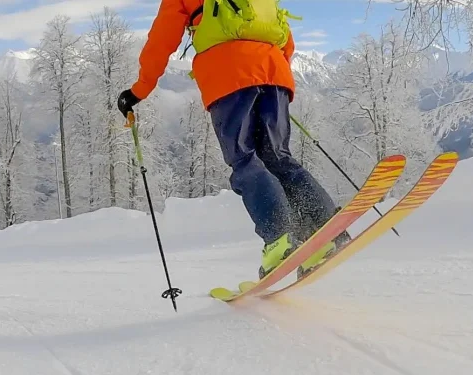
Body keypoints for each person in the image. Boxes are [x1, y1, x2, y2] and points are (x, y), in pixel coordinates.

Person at [116, 0, 348, 278]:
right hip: (274, 73)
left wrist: (139, 90)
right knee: (279, 157)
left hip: (228, 75)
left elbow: (161, 40)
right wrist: (270, 76)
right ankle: (326, 229)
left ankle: (280, 240)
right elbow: (284, 35)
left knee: (245, 159)